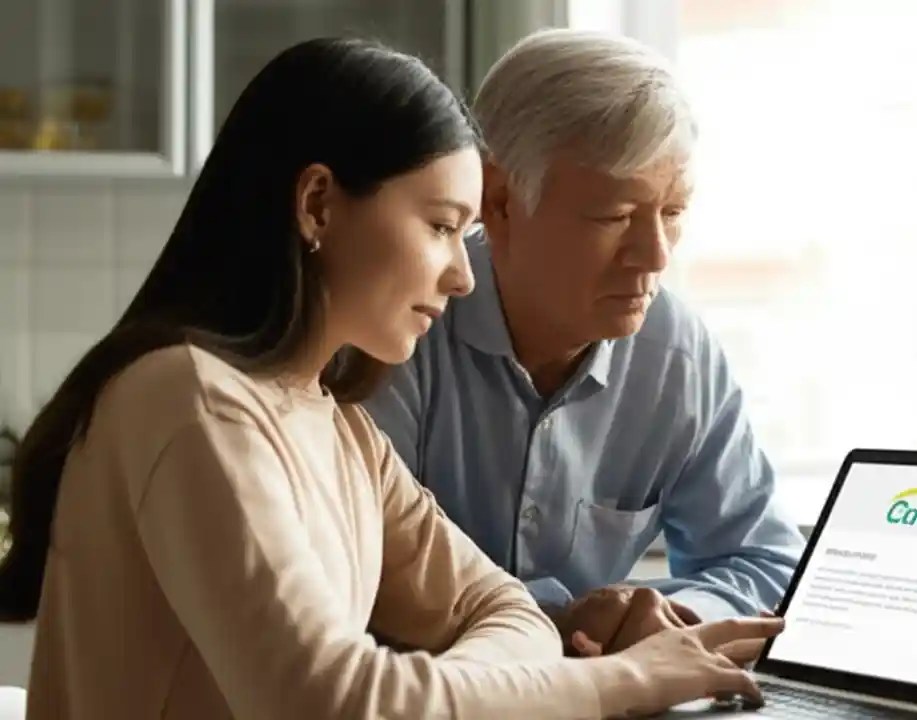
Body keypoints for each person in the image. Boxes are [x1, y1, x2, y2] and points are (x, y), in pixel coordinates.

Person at [0, 38, 782, 719]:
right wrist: (613, 682)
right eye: (442, 227)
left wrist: (448, 690)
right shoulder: (192, 402)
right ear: (317, 205)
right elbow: (333, 702)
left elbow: (510, 614)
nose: (461, 275)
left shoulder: (338, 427)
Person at [365, 28, 805, 660]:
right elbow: (368, 580)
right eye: (616, 217)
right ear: (500, 201)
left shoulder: (676, 353)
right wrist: (562, 620)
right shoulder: (398, 332)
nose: (654, 255)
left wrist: (668, 618)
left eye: (673, 212)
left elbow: (764, 559)